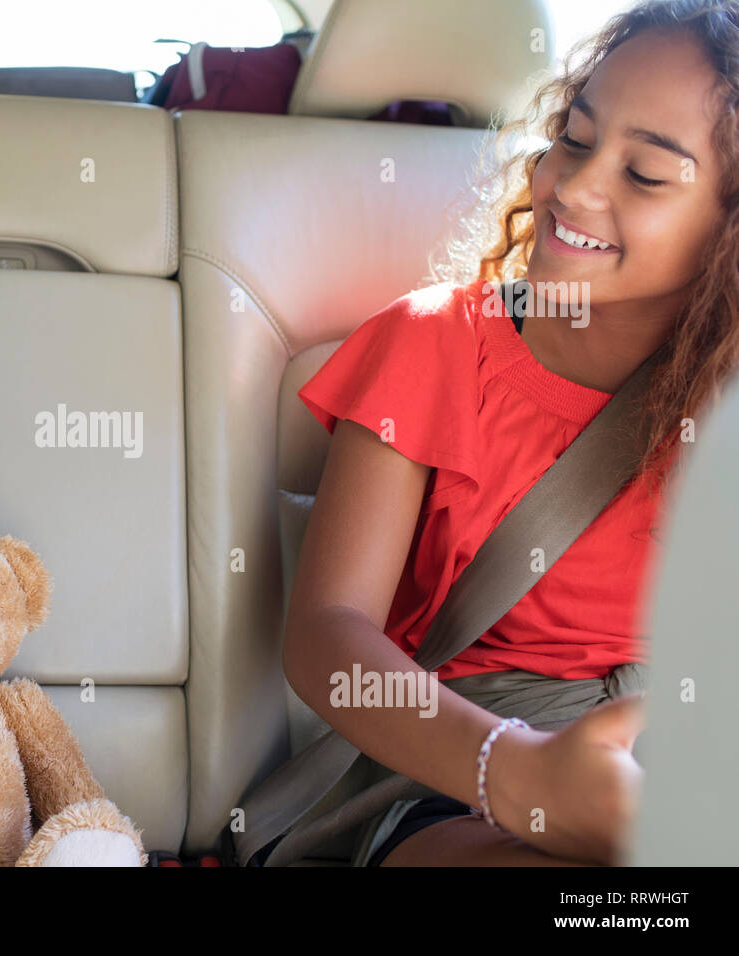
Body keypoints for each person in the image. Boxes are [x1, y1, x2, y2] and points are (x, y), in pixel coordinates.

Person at [283, 0, 739, 866]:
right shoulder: (438, 345)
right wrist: (516, 771)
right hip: (460, 775)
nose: (573, 186)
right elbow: (325, 635)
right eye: (574, 135)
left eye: (644, 175)